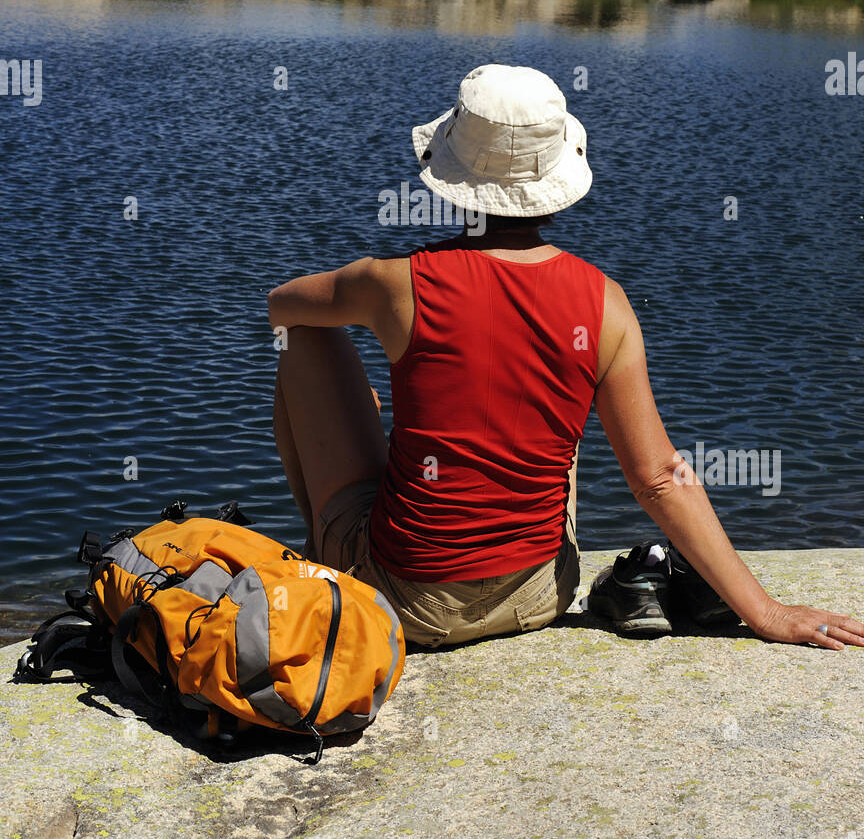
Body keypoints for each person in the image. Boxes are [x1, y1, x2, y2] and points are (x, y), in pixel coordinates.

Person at [268, 63, 864, 653]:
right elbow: (659, 478)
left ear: (450, 170)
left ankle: (327, 555)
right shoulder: (605, 302)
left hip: (407, 602)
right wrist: (765, 613)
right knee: (552, 392)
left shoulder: (392, 283)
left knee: (305, 334)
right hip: (539, 594)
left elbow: (280, 307)